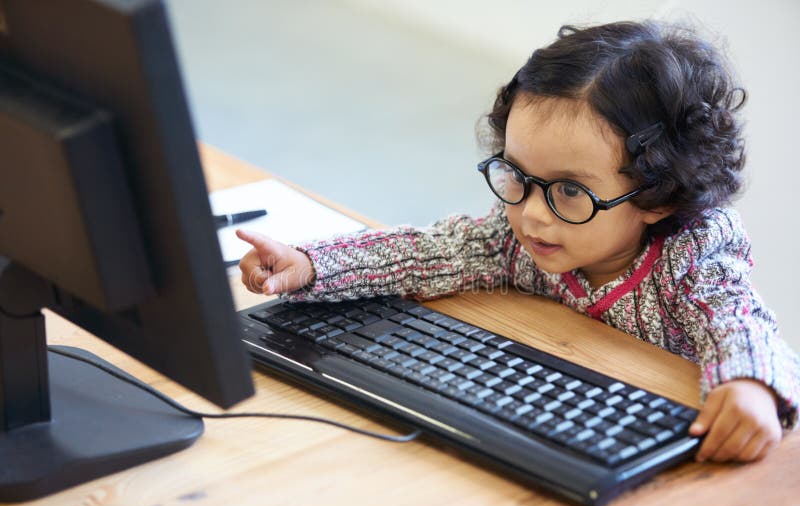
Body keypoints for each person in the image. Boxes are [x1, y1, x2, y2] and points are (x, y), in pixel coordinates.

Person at [236, 20, 798, 464]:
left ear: (660, 196)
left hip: (658, 449)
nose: (529, 215)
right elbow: (428, 251)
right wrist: (311, 265)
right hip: (558, 424)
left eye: (570, 192)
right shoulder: (518, 239)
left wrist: (752, 387)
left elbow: (740, 321)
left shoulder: (690, 260)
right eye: (517, 176)